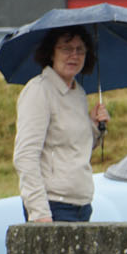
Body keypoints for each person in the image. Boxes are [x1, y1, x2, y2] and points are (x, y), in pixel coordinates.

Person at [12, 26, 109, 223]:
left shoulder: (78, 93)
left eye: (80, 49)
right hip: (53, 206)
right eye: (66, 48)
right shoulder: (39, 91)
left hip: (82, 206)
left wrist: (95, 126)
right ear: (51, 52)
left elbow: (74, 148)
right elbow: (25, 156)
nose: (74, 55)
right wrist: (40, 213)